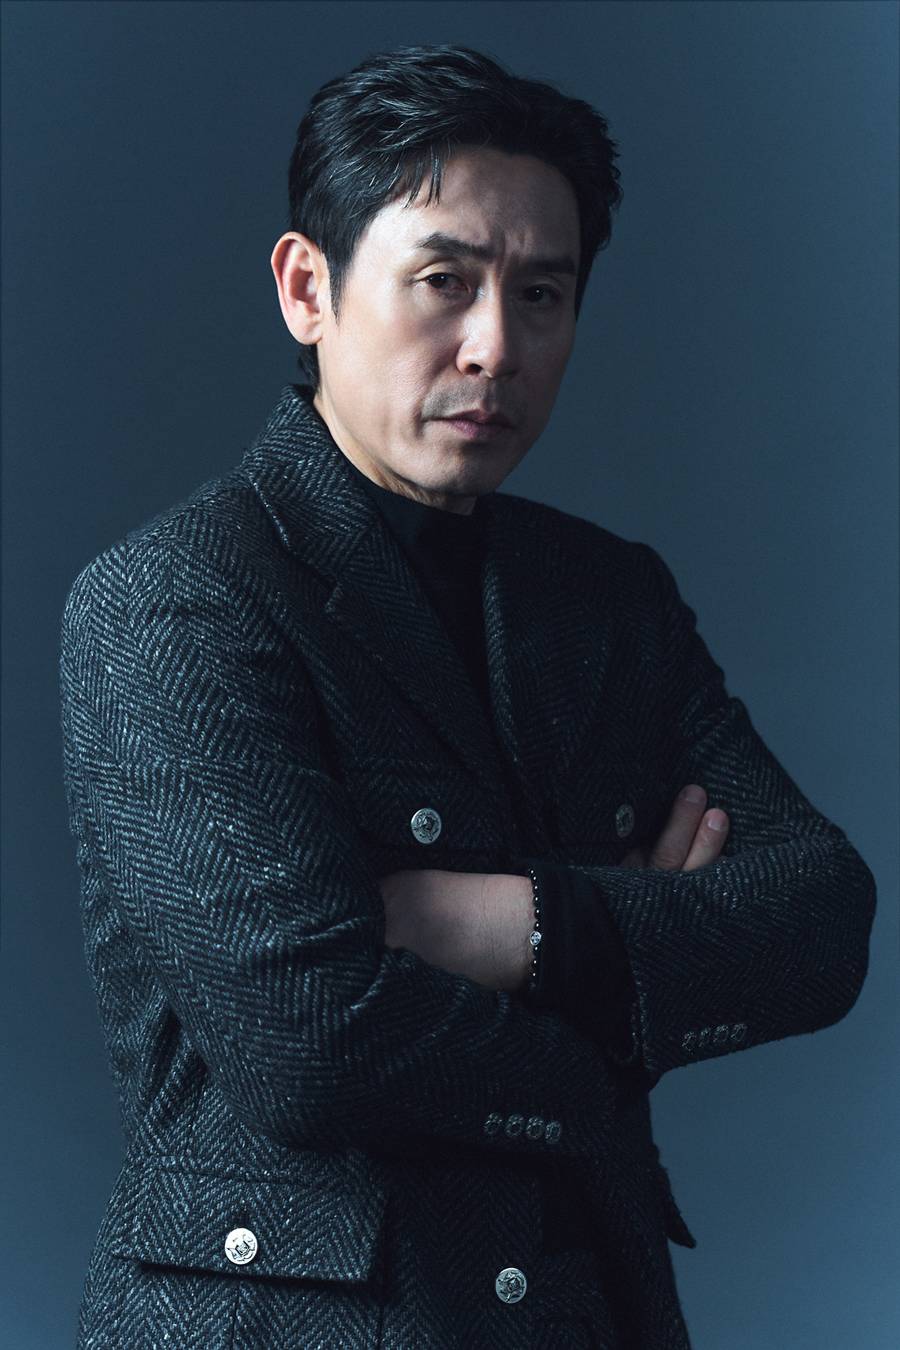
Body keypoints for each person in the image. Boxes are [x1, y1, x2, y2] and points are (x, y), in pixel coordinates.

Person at [59, 42, 876, 1350]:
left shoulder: (608, 599)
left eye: (542, 294)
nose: (496, 346)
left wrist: (520, 926)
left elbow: (822, 920)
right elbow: (309, 1040)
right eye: (444, 282)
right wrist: (625, 999)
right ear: (307, 288)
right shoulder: (175, 599)